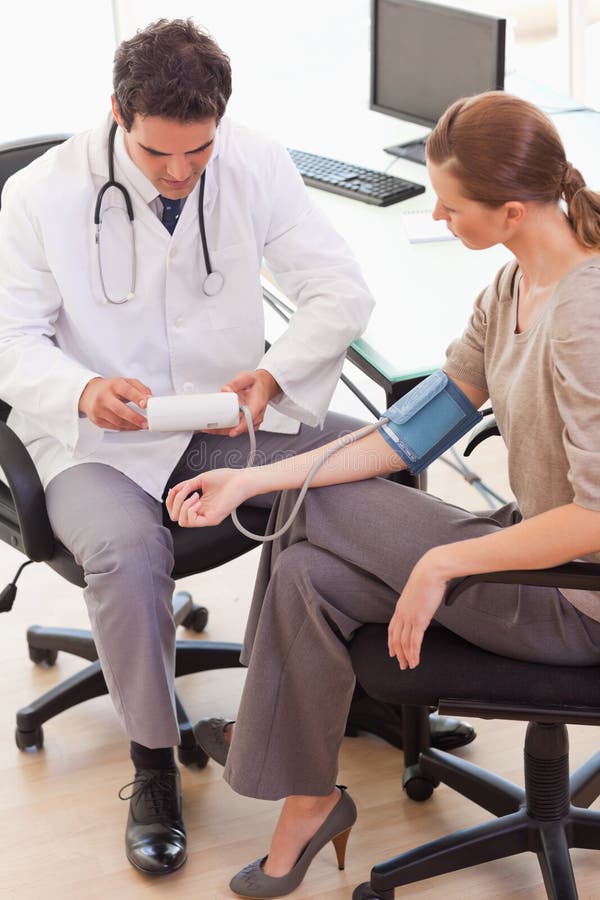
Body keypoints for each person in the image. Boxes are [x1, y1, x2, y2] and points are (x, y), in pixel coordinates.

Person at [167, 90, 600, 898]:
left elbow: (597, 519)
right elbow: (410, 433)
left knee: (315, 504)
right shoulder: (511, 288)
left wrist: (443, 562)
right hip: (530, 549)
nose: (436, 215)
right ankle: (309, 801)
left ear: (511, 211)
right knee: (309, 573)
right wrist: (253, 478)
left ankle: (269, 728)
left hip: (579, 599)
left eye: (450, 205)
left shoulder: (586, 316)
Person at [0, 17, 381, 876]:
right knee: (127, 551)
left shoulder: (253, 161)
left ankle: (347, 701)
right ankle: (153, 768)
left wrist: (275, 374)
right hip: (95, 441)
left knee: (372, 465)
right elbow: (9, 339)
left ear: (221, 121)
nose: (179, 173)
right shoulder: (40, 193)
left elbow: (339, 289)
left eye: (198, 152)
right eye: (157, 153)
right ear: (117, 113)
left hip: (222, 422)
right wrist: (83, 390)